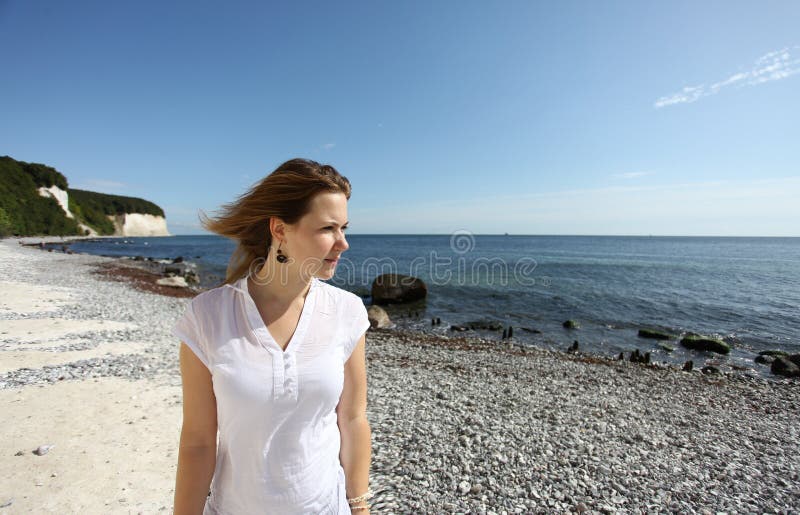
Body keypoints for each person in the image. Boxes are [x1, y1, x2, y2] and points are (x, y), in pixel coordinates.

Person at [172, 158, 372, 514]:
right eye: (328, 228)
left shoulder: (347, 311)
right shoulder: (208, 316)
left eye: (343, 228)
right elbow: (198, 442)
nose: (343, 243)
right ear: (279, 229)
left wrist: (360, 507)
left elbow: (353, 420)